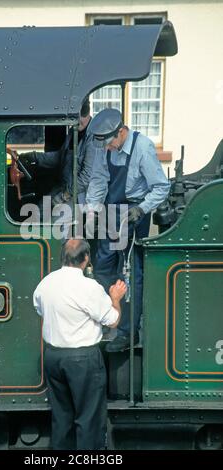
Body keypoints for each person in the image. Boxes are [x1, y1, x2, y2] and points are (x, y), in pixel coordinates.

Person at [86, 108, 170, 352]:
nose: (108, 149)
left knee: (130, 273)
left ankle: (127, 332)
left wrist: (142, 209)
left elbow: (161, 187)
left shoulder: (142, 147)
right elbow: (99, 179)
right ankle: (105, 318)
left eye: (110, 143)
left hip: (134, 214)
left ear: (121, 132)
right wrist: (91, 211)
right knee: (101, 266)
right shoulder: (105, 146)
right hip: (111, 212)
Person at [33, 238, 126, 450]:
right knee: (89, 420)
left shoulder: (45, 283)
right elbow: (112, 320)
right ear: (85, 259)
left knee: (61, 418)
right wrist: (116, 298)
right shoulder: (89, 287)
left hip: (53, 357)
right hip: (82, 360)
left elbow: (40, 310)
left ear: (62, 257)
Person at [20, 97, 96, 205]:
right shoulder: (73, 131)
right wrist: (34, 156)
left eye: (79, 119)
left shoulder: (93, 138)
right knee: (40, 209)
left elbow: (86, 177)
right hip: (63, 186)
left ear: (87, 113)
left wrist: (65, 195)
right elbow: (60, 157)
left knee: (56, 219)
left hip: (79, 195)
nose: (76, 122)